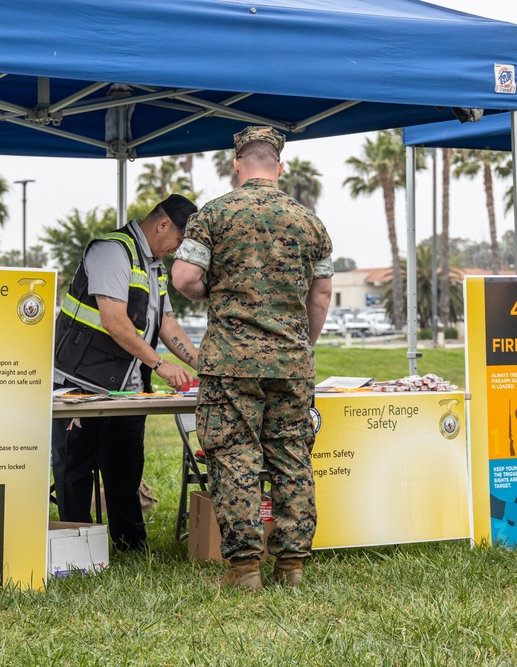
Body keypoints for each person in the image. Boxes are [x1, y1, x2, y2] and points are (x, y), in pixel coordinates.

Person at [172, 126, 333, 589]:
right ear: (279, 168)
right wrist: (303, 342)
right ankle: (292, 567)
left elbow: (183, 279)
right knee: (291, 457)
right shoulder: (310, 222)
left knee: (235, 457)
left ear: (237, 164)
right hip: (291, 361)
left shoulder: (214, 214)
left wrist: (216, 292)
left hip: (231, 362)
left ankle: (244, 569)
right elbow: (320, 295)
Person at [52, 194, 200, 552]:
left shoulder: (154, 267)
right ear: (163, 224)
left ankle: (130, 543)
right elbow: (115, 321)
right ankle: (77, 548)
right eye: (180, 241)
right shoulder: (111, 251)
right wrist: (160, 364)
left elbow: (166, 321)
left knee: (126, 467)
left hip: (128, 390)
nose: (177, 251)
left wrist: (203, 364)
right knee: (75, 469)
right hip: (80, 386)